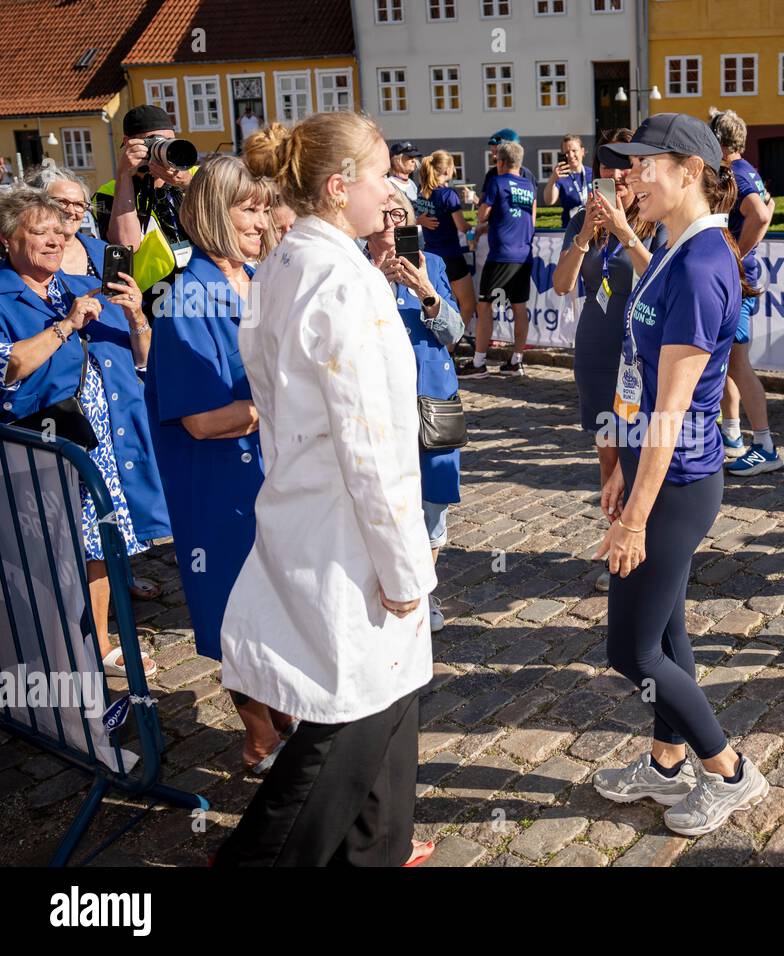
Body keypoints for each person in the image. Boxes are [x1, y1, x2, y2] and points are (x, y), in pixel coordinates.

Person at [218, 112, 438, 867]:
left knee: (390, 699)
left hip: (315, 506)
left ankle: (379, 848)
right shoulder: (340, 280)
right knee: (350, 718)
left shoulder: (287, 262)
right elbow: (369, 444)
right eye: (381, 177)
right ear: (340, 188)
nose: (394, 191)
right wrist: (403, 566)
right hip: (350, 530)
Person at [590, 113, 770, 836]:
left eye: (644, 165)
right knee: (666, 637)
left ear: (691, 171)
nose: (630, 176)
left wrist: (634, 516)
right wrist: (618, 461)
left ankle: (729, 770)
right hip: (655, 471)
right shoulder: (675, 246)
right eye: (628, 165)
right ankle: (666, 762)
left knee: (630, 651)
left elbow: (670, 410)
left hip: (676, 483)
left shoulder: (699, 264)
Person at [145, 156, 294, 773]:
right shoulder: (184, 298)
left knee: (281, 601)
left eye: (265, 208)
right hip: (220, 485)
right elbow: (203, 420)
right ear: (212, 213)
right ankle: (259, 738)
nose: (262, 221)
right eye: (249, 209)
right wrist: (284, 401)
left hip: (273, 474)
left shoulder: (260, 279)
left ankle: (285, 715)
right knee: (238, 609)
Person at [0, 189, 167, 678]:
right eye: (40, 231)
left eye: (59, 231)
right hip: (42, 446)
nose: (55, 240)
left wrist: (137, 317)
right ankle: (51, 649)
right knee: (50, 550)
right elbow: (9, 366)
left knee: (98, 543)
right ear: (8, 239)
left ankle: (98, 638)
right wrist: (66, 326)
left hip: (104, 441)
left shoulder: (82, 286)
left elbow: (142, 363)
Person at [553, 128, 667, 591]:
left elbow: (659, 279)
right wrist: (585, 232)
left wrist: (623, 230)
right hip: (596, 351)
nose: (617, 176)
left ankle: (651, 545)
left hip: (637, 355)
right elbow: (562, 284)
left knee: (642, 452)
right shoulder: (583, 219)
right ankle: (619, 547)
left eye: (625, 167)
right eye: (608, 167)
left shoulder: (655, 219)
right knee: (609, 456)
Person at [365, 188, 463, 633]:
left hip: (430, 402)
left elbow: (454, 333)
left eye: (399, 213)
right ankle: (387, 586)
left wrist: (425, 290)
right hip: (377, 404)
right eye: (384, 212)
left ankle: (423, 590)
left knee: (432, 502)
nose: (391, 221)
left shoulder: (432, 264)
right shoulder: (355, 269)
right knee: (381, 498)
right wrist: (376, 282)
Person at [708, 109, 781, 476]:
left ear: (718, 141)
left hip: (736, 282)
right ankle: (733, 434)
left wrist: (734, 256)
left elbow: (761, 216)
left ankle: (765, 445)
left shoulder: (737, 173)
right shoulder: (743, 170)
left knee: (737, 363)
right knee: (727, 361)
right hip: (737, 278)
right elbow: (769, 208)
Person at [92, 104, 194, 295]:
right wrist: (124, 175)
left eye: (169, 141)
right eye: (153, 141)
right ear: (128, 142)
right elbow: (126, 244)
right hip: (152, 297)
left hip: (200, 286)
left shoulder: (193, 175)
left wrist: (188, 183)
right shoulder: (108, 193)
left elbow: (227, 213)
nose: (162, 148)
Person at [458, 140, 535, 379]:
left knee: (484, 306)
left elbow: (482, 214)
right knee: (519, 307)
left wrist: (482, 216)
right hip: (524, 253)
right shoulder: (529, 185)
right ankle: (516, 361)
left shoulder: (497, 182)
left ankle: (479, 362)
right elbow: (531, 220)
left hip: (501, 254)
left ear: (500, 162)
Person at [416, 151, 476, 327]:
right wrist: (476, 227)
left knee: (439, 305)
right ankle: (452, 341)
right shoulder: (448, 194)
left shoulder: (423, 192)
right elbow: (461, 226)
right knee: (468, 304)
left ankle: (440, 340)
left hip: (430, 255)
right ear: (448, 169)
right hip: (451, 256)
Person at [26, 166, 108, 281]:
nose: (71, 211)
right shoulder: (29, 254)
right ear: (37, 203)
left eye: (79, 204)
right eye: (61, 202)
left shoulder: (103, 250)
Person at [541, 134, 592, 228]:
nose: (571, 155)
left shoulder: (592, 174)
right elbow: (549, 201)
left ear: (582, 151)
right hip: (570, 229)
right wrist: (553, 178)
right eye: (567, 152)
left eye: (574, 150)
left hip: (592, 228)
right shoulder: (561, 176)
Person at [386, 141, 421, 206]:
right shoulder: (388, 184)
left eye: (414, 157)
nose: (414, 160)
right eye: (409, 157)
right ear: (396, 160)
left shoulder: (411, 183)